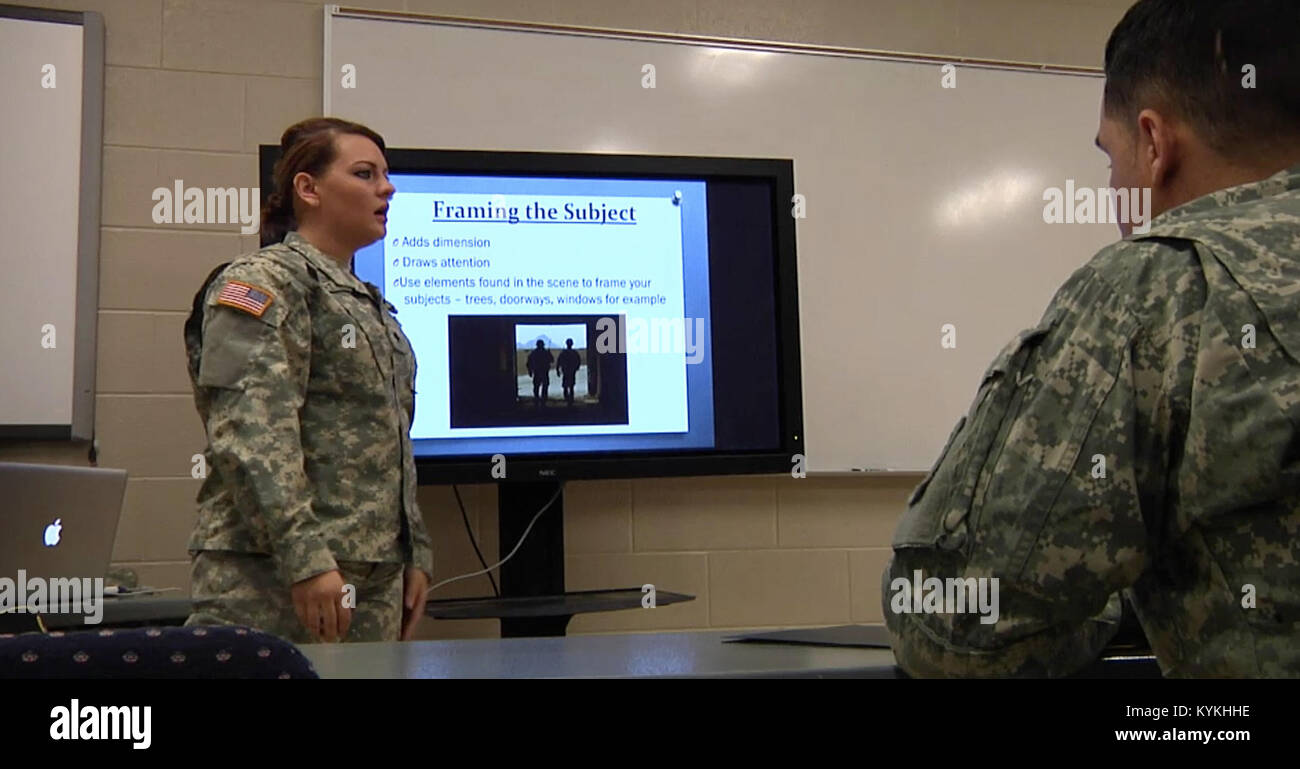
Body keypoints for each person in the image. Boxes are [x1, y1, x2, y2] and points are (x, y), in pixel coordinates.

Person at [884, 0, 1300, 677]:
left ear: (1154, 144)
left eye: (1111, 160)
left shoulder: (1154, 288)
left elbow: (951, 628)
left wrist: (1108, 600)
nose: (1112, 191)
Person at [183, 117, 434, 644]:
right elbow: (251, 436)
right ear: (308, 188)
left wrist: (414, 555)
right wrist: (305, 559)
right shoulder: (262, 283)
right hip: (276, 577)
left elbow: (392, 441)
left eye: (386, 175)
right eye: (365, 173)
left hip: (373, 574)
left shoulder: (366, 301)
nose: (387, 187)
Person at [526, 340, 554, 407]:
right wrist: (549, 353)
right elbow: (552, 360)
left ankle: (537, 400)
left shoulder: (534, 353)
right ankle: (543, 401)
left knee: (537, 387)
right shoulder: (545, 352)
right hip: (543, 372)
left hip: (537, 372)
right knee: (544, 387)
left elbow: (529, 363)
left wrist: (530, 371)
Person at [557, 338, 583, 405]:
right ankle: (570, 399)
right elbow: (578, 361)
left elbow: (558, 361)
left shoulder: (563, 352)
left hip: (566, 371)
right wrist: (576, 368)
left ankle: (567, 398)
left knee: (566, 385)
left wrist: (558, 370)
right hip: (571, 371)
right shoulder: (574, 353)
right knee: (571, 385)